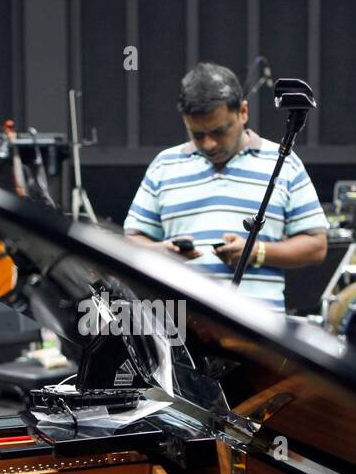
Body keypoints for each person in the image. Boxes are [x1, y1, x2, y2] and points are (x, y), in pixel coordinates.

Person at [124, 62, 328, 309]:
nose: (209, 144)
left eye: (219, 132)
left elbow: (316, 246)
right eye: (197, 134)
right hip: (179, 330)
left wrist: (257, 252)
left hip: (259, 331)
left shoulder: (284, 161)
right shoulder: (164, 165)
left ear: (243, 112)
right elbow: (132, 240)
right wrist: (163, 252)